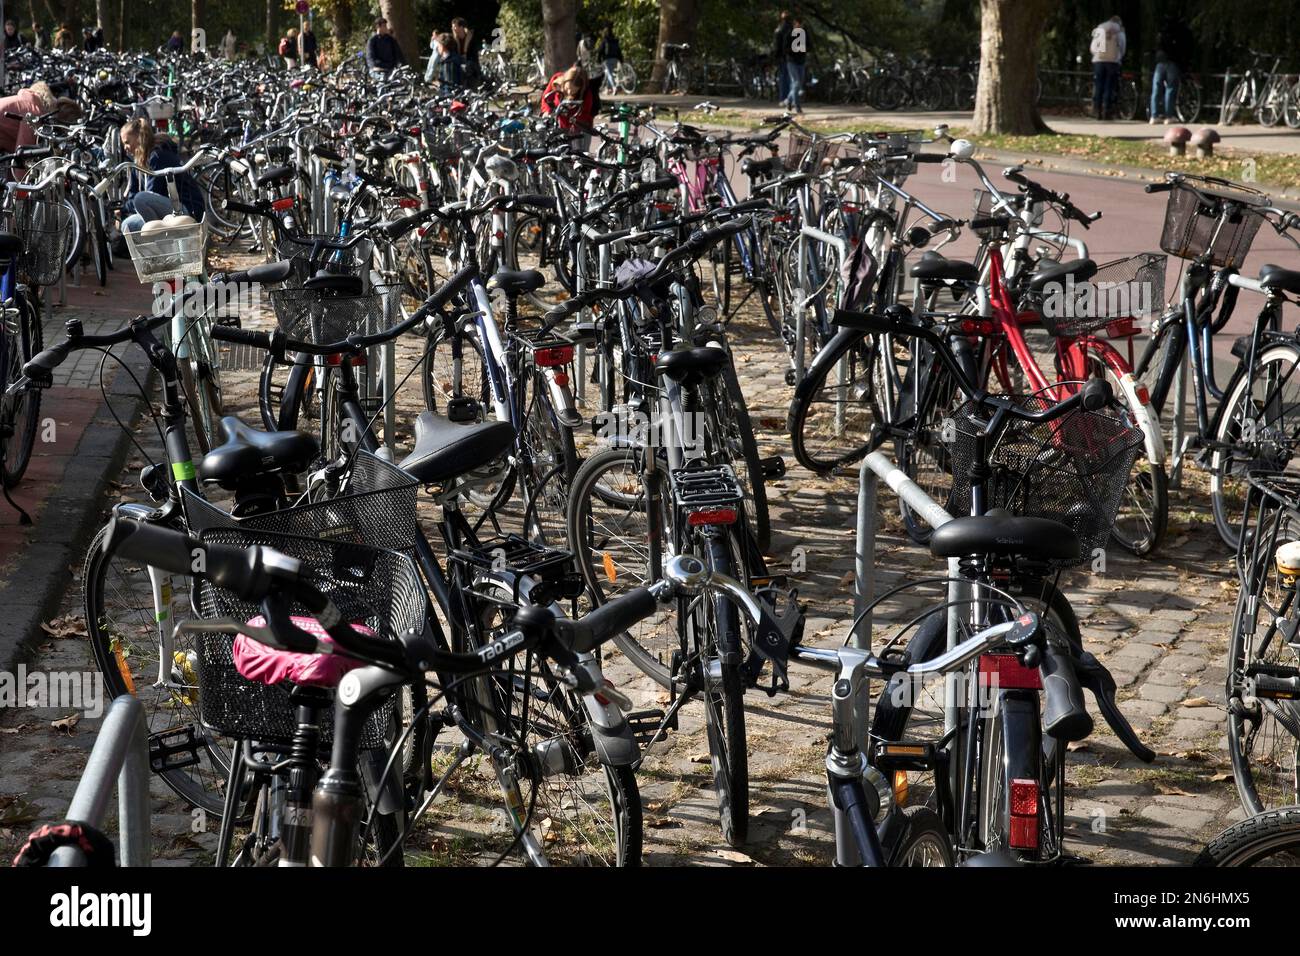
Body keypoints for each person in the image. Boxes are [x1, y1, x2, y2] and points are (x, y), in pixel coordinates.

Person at [118, 118, 204, 234]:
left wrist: (125, 209)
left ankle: (162, 240)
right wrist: (122, 210)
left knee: (141, 199)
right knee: (127, 225)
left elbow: (152, 192)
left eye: (127, 142)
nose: (125, 148)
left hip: (185, 209)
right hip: (167, 210)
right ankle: (157, 243)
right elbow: (133, 194)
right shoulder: (137, 162)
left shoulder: (158, 155)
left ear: (138, 137)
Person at [540, 64, 601, 142]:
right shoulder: (556, 80)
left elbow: (586, 114)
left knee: (578, 152)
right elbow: (546, 98)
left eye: (573, 91)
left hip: (578, 131)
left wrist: (575, 123)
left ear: (580, 88)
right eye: (567, 88)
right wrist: (547, 111)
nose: (569, 92)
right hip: (557, 127)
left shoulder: (586, 94)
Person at [1150, 15, 1190, 125]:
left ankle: (1154, 115)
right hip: (1172, 62)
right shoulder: (1177, 33)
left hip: (1160, 62)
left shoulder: (1160, 33)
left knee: (1156, 89)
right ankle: (1169, 115)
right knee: (1171, 88)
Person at [1089, 14, 1125, 120]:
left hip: (1099, 61)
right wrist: (1118, 57)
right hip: (1113, 62)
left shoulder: (1100, 29)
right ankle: (1107, 111)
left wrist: (1097, 55)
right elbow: (1122, 48)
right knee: (1109, 86)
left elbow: (1093, 47)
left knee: (1099, 85)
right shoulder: (1119, 31)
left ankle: (1097, 111)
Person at [781, 15, 807, 114]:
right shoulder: (789, 35)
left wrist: (804, 49)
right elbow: (785, 49)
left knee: (798, 84)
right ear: (795, 24)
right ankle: (797, 106)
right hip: (791, 62)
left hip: (801, 61)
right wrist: (794, 49)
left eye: (801, 25)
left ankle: (788, 100)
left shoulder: (804, 34)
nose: (800, 26)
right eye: (798, 24)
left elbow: (809, 46)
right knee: (796, 83)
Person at [596, 23, 622, 95]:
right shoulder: (615, 40)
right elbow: (619, 50)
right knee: (608, 74)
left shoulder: (605, 40)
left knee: (609, 73)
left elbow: (600, 50)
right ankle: (608, 89)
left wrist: (598, 59)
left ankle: (614, 87)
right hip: (615, 58)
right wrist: (621, 59)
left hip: (607, 59)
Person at [772, 11, 792, 105]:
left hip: (782, 57)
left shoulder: (779, 29)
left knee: (783, 77)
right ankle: (790, 98)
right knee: (791, 78)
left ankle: (783, 98)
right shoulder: (793, 29)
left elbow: (777, 45)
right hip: (792, 57)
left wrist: (776, 56)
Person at [451, 17, 477, 85]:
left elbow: (474, 55)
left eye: (455, 27)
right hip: (458, 61)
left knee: (467, 66)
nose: (453, 29)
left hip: (470, 61)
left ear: (461, 27)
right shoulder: (453, 40)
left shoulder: (471, 39)